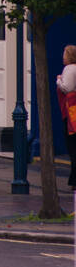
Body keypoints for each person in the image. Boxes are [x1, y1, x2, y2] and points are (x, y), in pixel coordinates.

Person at [55, 45, 76, 189]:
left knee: (72, 145)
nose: (63, 57)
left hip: (71, 112)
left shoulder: (69, 69)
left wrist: (58, 80)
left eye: (65, 54)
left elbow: (66, 87)